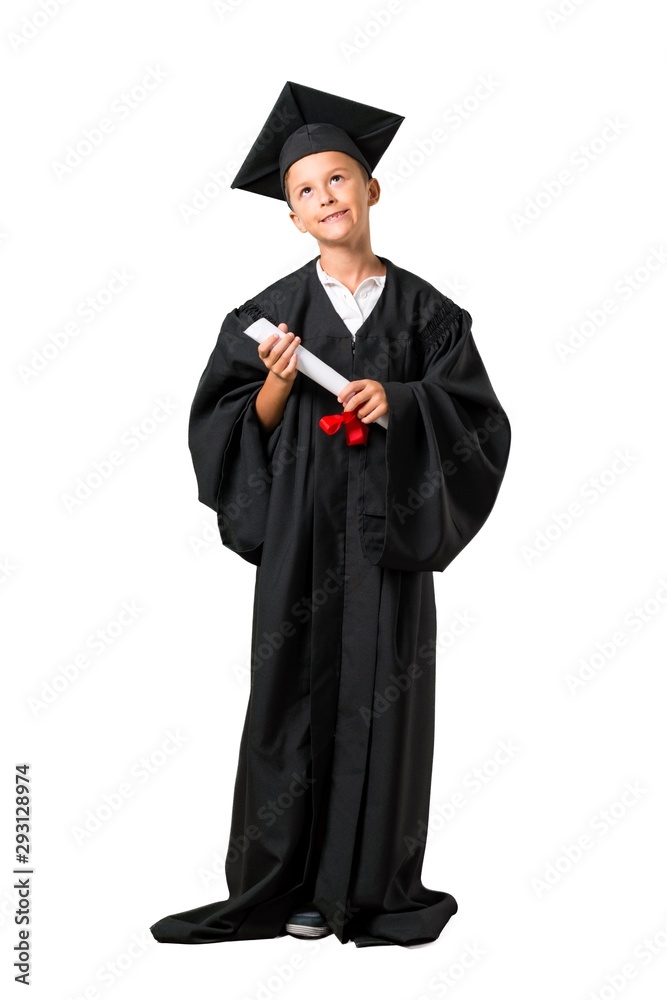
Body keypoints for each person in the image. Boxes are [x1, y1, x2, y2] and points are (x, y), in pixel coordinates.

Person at [150, 80, 511, 949]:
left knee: (386, 703)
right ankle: (291, 888)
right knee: (291, 700)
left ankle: (370, 885)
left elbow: (477, 421)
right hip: (304, 542)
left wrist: (400, 400)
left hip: (387, 538)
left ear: (371, 189)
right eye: (305, 189)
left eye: (339, 180)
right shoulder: (265, 317)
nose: (325, 197)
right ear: (291, 215)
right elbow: (228, 434)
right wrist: (277, 376)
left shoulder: (430, 313)